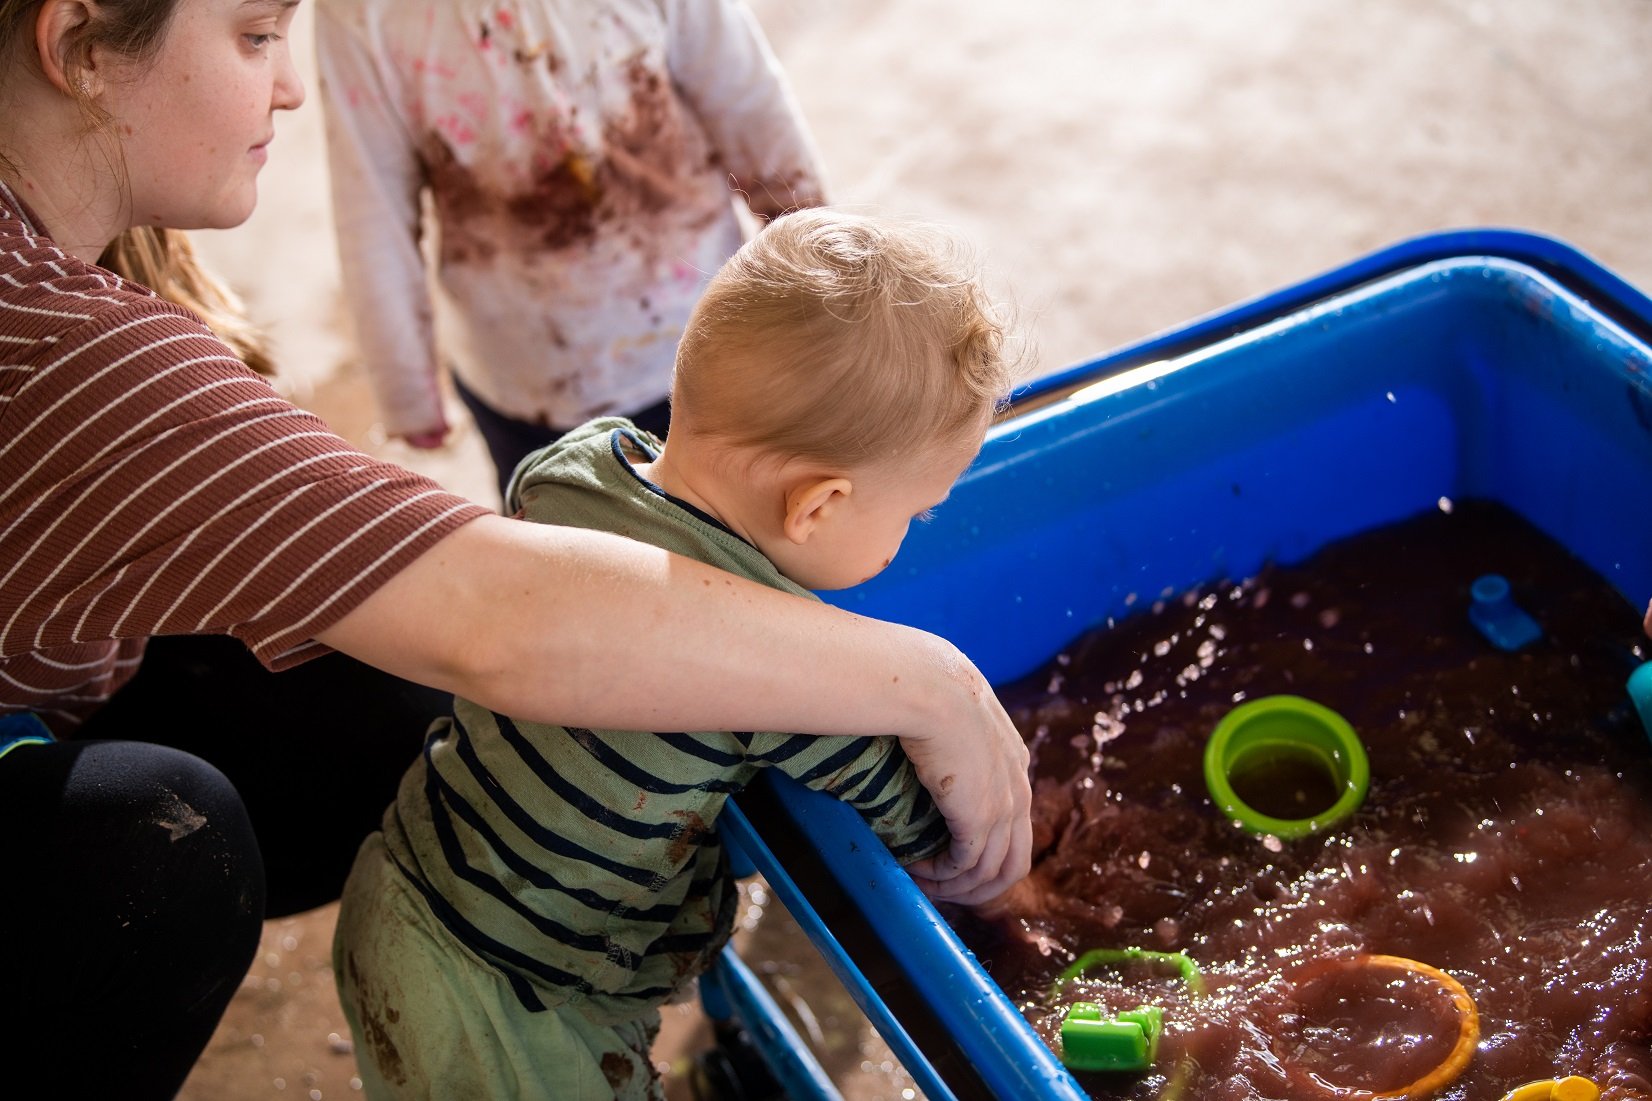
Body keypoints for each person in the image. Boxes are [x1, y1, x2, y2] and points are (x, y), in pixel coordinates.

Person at [0, 4, 1031, 1099]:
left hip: (409, 903)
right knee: (160, 846)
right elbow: (500, 620)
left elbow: (491, 551)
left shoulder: (582, 463)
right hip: (520, 1010)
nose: (289, 86)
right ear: (79, 49)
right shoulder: (64, 358)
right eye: (255, 34)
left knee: (387, 672)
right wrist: (945, 704)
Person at [333, 207, 1021, 1100]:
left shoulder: (575, 466)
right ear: (815, 507)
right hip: (515, 999)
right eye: (912, 514)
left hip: (406, 884)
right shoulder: (777, 677)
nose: (911, 537)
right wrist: (1011, 889)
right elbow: (928, 823)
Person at [314, 0, 828, 499]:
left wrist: (819, 272)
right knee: (571, 555)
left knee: (736, 538)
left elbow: (748, 104)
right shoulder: (359, 12)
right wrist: (405, 389)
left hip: (705, 339)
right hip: (526, 385)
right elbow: (372, 205)